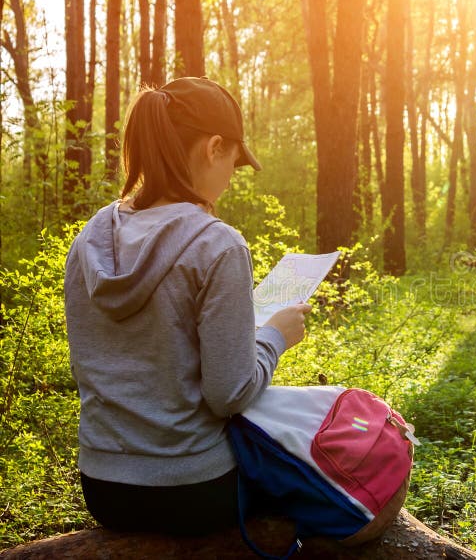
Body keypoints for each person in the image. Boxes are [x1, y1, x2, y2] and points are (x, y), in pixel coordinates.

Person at [64, 77, 311, 536]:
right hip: (194, 487)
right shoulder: (218, 245)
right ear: (214, 148)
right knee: (315, 479)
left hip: (101, 487)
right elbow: (229, 395)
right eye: (234, 163)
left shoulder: (90, 240)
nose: (231, 179)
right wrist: (276, 335)